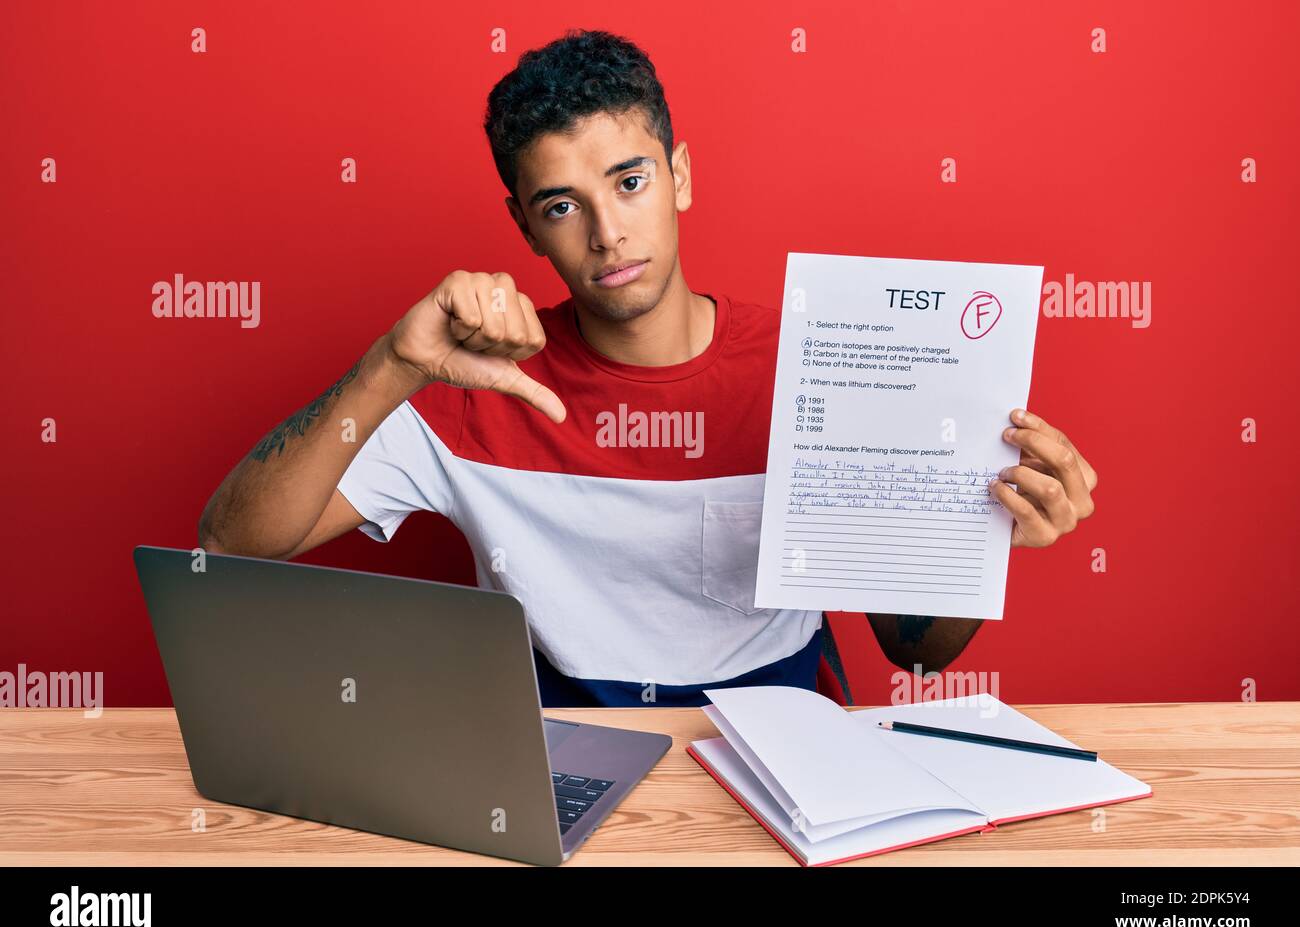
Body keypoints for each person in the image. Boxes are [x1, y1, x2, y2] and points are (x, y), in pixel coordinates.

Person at [197, 29, 1097, 706]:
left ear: (680, 177)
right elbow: (231, 545)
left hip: (787, 750)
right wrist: (389, 365)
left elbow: (916, 650)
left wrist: (978, 542)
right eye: (563, 205)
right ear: (524, 225)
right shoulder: (470, 386)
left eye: (629, 183)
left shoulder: (817, 370)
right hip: (559, 756)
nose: (608, 233)